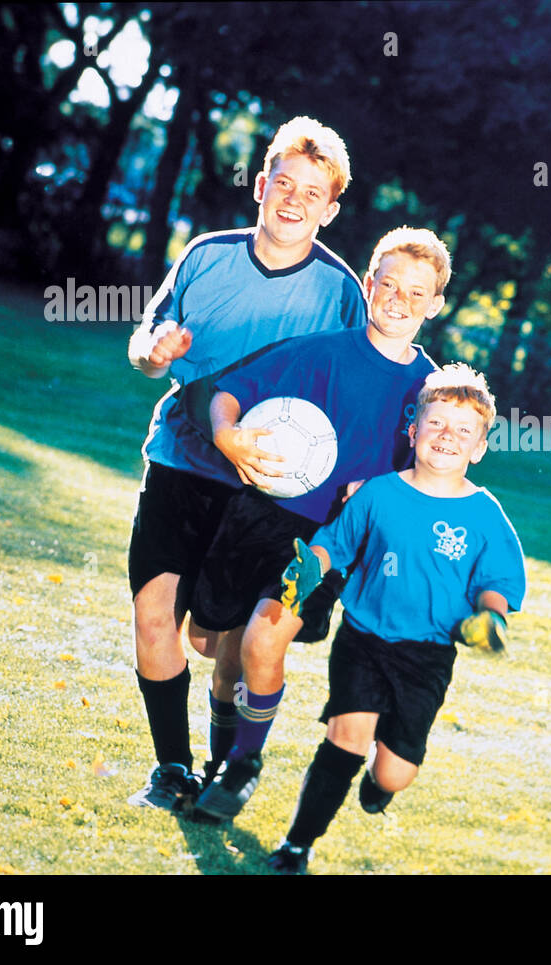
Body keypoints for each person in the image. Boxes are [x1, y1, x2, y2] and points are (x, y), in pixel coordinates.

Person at [124, 116, 363, 811]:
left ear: (330, 208)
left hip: (266, 489)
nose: (293, 200)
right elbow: (145, 342)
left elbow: (348, 387)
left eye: (311, 192)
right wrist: (156, 351)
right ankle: (172, 768)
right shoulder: (206, 255)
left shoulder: (341, 291)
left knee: (223, 644)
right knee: (153, 613)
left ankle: (226, 762)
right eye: (283, 182)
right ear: (261, 184)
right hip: (181, 461)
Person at [188, 227, 452, 821]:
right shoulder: (323, 350)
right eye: (389, 285)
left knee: (263, 636)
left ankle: (243, 766)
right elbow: (230, 392)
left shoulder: (431, 389)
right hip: (257, 515)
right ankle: (220, 758)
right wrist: (229, 435)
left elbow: (437, 475)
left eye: (417, 293)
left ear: (435, 304)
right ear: (368, 285)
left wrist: (382, 492)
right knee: (217, 645)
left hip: (330, 541)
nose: (400, 301)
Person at [254, 365, 526, 873]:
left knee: (397, 773)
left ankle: (381, 783)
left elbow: (499, 584)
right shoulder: (378, 493)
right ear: (413, 431)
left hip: (427, 654)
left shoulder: (486, 513)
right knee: (345, 738)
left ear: (480, 447)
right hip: (363, 636)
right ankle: (297, 844)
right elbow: (334, 544)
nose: (447, 437)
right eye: (437, 424)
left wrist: (490, 618)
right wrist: (309, 566)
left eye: (463, 431)